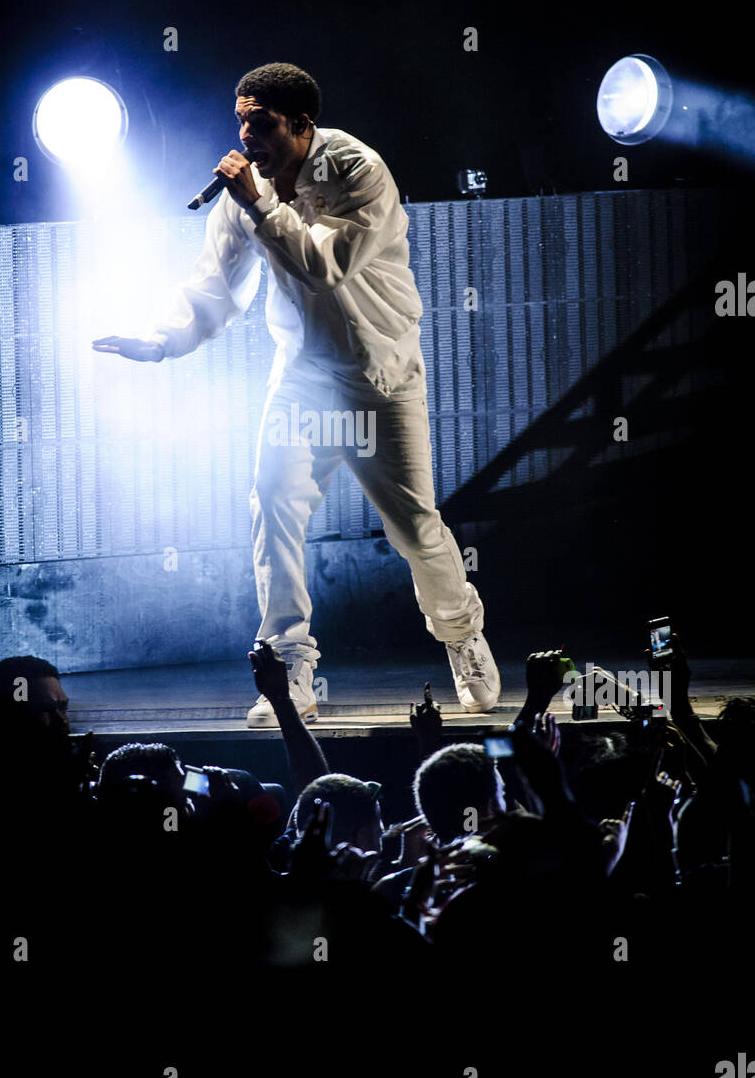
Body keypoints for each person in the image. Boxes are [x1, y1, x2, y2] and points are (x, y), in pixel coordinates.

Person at [93, 62, 500, 727]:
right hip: (303, 381)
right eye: (240, 121)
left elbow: (323, 267)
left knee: (416, 528)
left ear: (301, 125)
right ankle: (288, 673)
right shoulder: (242, 194)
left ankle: (460, 635)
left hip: (380, 380)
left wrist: (259, 202)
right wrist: (158, 341)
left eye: (261, 123)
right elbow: (212, 288)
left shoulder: (357, 172)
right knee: (272, 505)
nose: (246, 136)